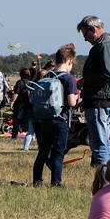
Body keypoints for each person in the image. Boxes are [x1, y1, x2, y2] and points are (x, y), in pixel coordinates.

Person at [78, 16, 110, 167]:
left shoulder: (104, 45)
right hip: (107, 100)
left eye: (86, 34)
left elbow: (108, 74)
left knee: (100, 144)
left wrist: (87, 80)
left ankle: (105, 178)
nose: (85, 39)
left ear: (93, 29)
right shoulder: (109, 44)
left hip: (100, 101)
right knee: (103, 142)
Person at [33, 47, 79, 187]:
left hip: (45, 119)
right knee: (58, 153)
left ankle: (37, 180)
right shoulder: (69, 79)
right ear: (69, 61)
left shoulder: (47, 76)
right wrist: (77, 97)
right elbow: (71, 102)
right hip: (60, 120)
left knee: (43, 152)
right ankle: (56, 182)